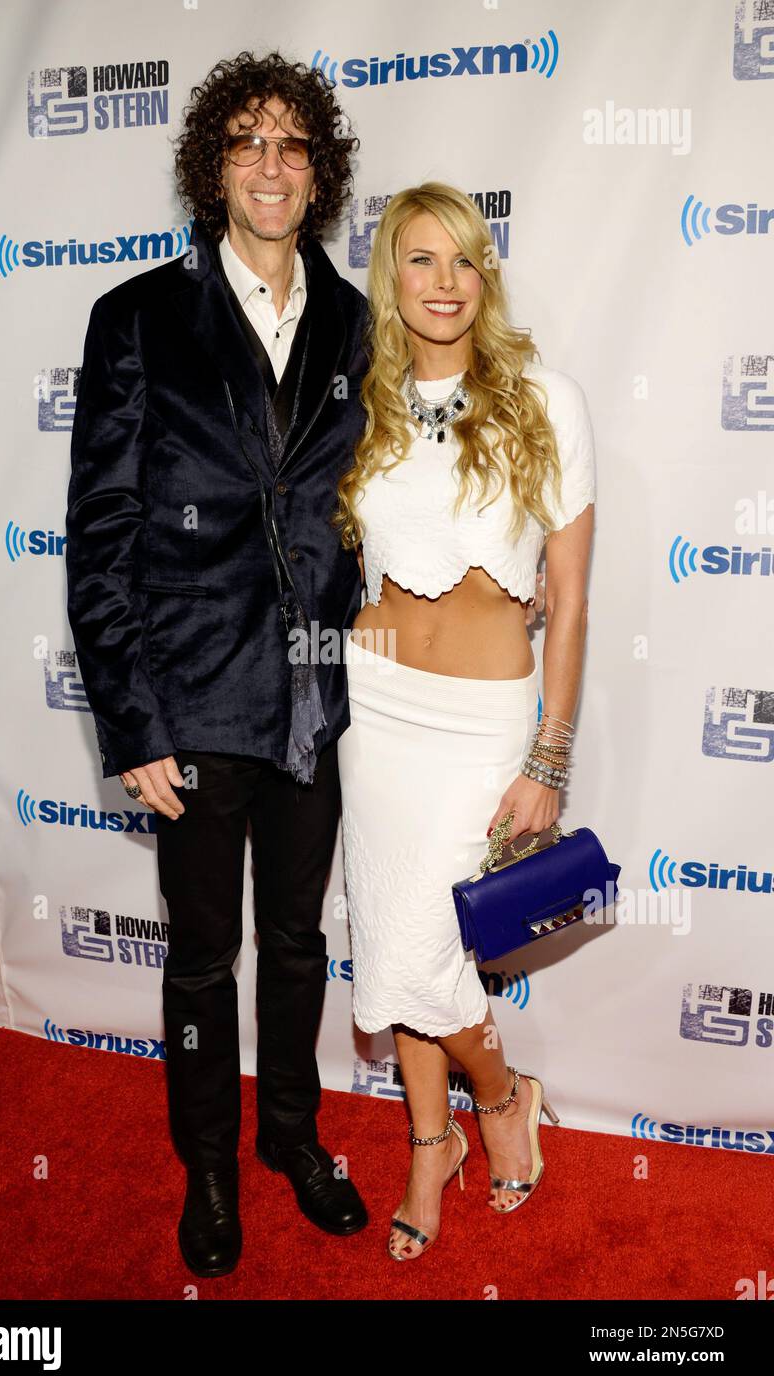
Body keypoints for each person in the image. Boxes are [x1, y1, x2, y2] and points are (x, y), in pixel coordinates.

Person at [64, 51, 377, 1278]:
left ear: (318, 174)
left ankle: (289, 1138)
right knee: (203, 954)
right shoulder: (136, 317)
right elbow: (100, 535)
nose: (269, 162)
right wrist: (130, 720)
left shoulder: (357, 321)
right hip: (191, 697)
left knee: (299, 942)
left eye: (293, 144)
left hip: (314, 690)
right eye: (246, 140)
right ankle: (205, 1162)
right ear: (212, 165)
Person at [333, 182, 596, 1260]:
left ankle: (498, 1100)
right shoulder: (363, 402)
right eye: (421, 261)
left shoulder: (543, 398)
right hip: (374, 704)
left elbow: (571, 597)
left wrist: (550, 755)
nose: (445, 284)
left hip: (485, 715)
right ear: (389, 275)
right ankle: (431, 1138)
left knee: (432, 952)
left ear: (486, 278)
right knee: (397, 945)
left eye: (465, 262)